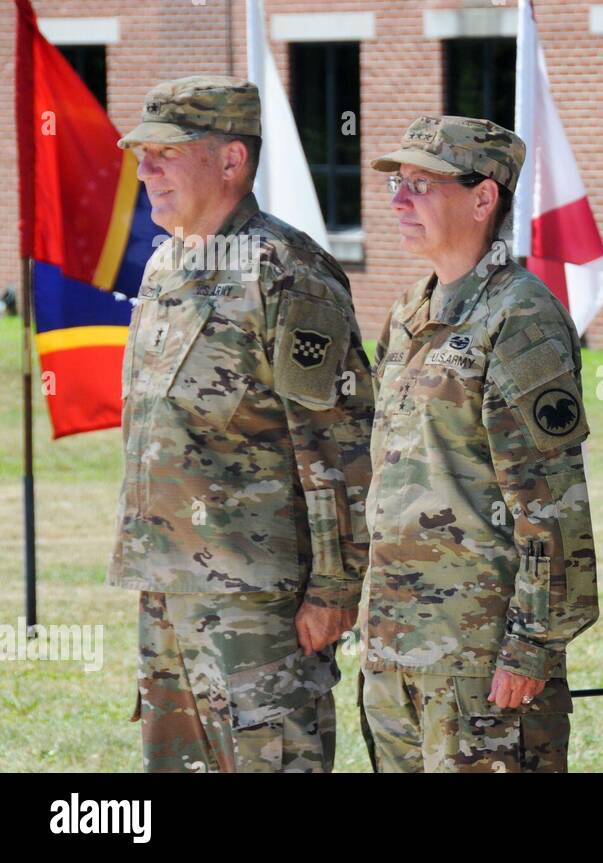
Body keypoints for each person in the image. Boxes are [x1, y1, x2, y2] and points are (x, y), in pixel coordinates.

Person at [110, 75, 374, 772]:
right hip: (169, 591)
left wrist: (334, 590)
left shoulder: (288, 271)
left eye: (167, 151)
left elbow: (340, 445)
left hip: (260, 602)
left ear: (231, 161)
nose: (147, 168)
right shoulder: (165, 264)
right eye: (143, 153)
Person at [360, 115, 599, 772]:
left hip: (479, 661)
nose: (399, 201)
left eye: (421, 184)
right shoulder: (409, 311)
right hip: (395, 652)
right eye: (397, 184)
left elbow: (551, 506)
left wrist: (532, 647)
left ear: (483, 196)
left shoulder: (521, 318)